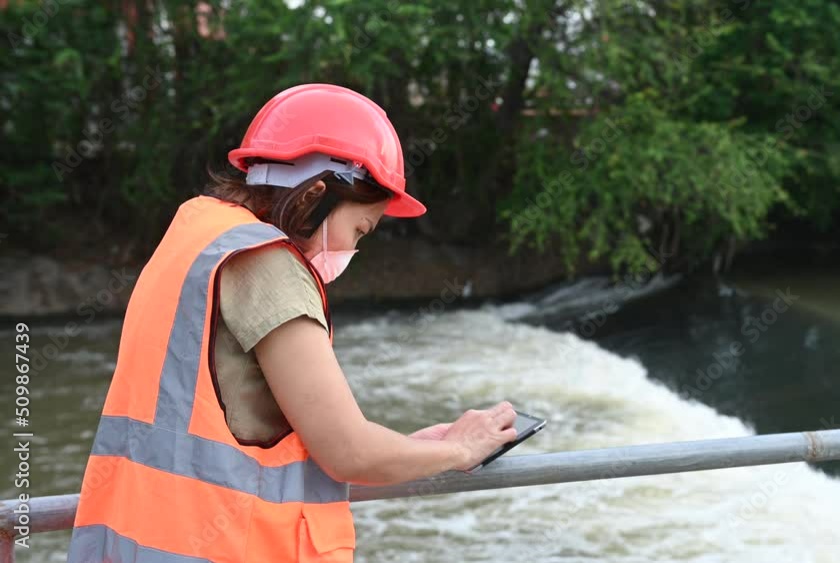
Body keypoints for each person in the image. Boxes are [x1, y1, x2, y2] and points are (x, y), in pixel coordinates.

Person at [67, 83, 518, 563]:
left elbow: (235, 435)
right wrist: (459, 451)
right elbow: (347, 450)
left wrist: (408, 449)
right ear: (318, 194)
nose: (355, 250)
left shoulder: (197, 237)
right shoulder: (267, 266)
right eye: (360, 229)